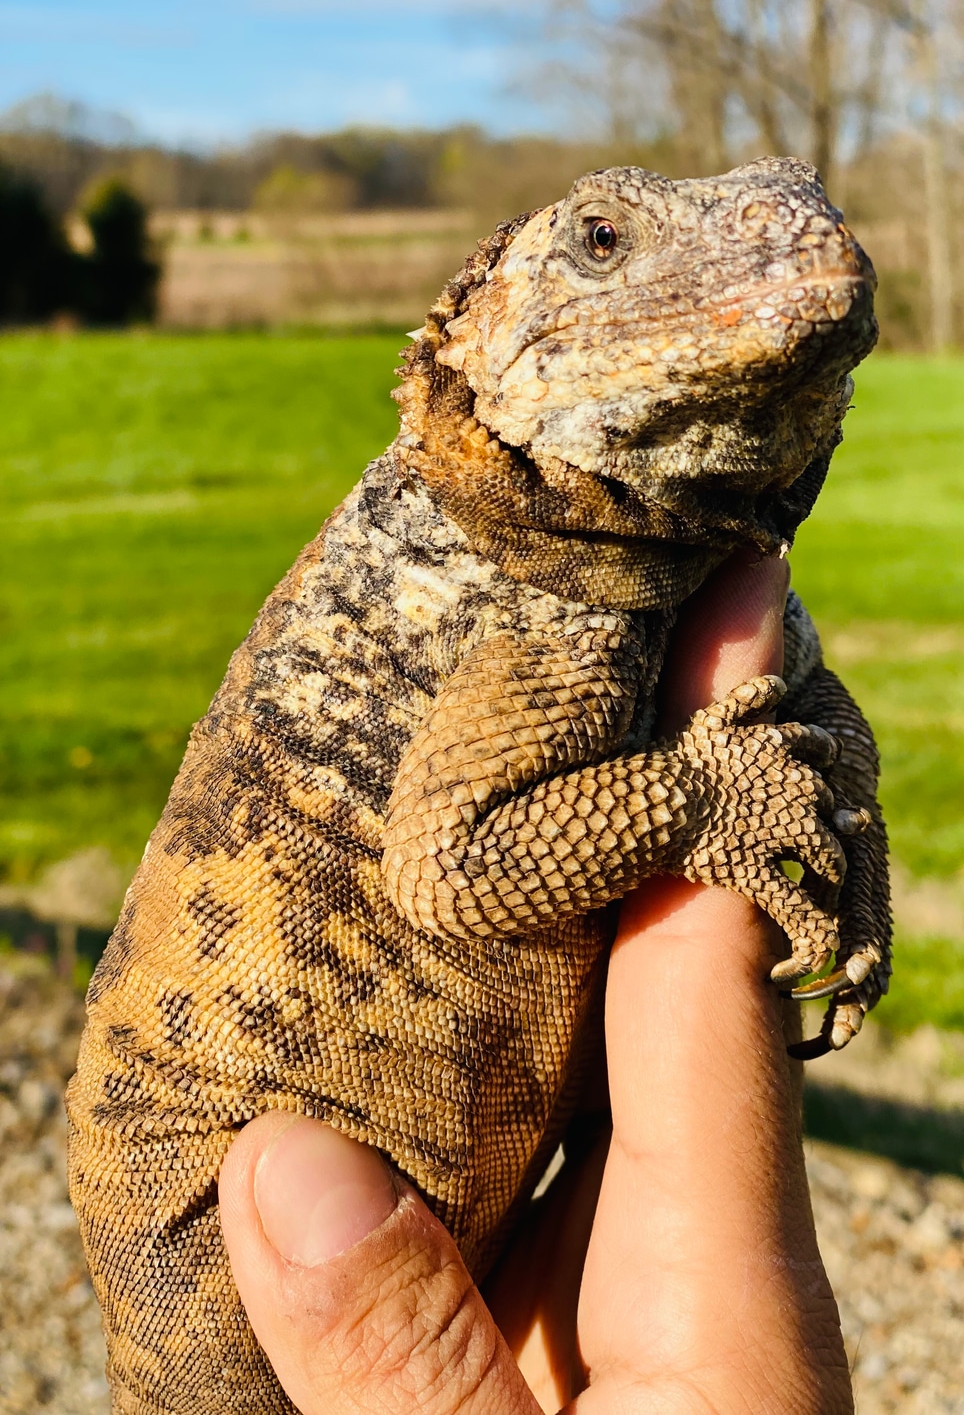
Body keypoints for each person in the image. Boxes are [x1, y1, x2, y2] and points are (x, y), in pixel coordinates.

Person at [218, 555, 855, 1415]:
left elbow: (815, 716)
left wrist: (846, 842)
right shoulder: (544, 546)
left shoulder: (668, 541)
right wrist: (700, 797)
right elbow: (449, 865)